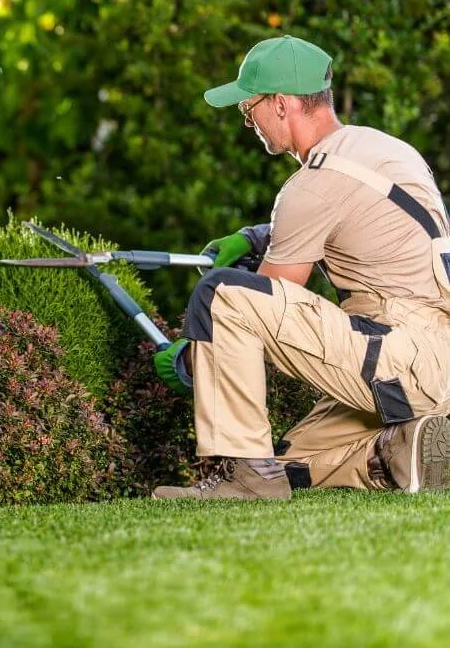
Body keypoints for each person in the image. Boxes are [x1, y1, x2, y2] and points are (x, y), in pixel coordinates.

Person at [151, 34, 450, 500]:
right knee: (288, 457)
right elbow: (357, 222)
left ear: (283, 104)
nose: (246, 120)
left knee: (221, 295)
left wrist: (192, 358)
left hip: (405, 359)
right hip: (431, 358)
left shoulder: (311, 184)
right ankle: (398, 449)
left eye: (249, 108)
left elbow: (264, 311)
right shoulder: (382, 150)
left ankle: (252, 483)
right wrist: (255, 237)